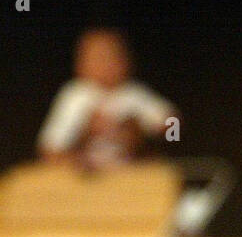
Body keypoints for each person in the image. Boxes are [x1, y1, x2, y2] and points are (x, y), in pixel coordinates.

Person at [36, 28, 175, 172]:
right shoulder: (74, 96)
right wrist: (85, 132)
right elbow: (49, 148)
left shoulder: (134, 93)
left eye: (112, 56)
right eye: (96, 57)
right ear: (79, 64)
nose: (106, 64)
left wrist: (140, 130)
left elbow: (173, 125)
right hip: (85, 179)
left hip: (131, 173)